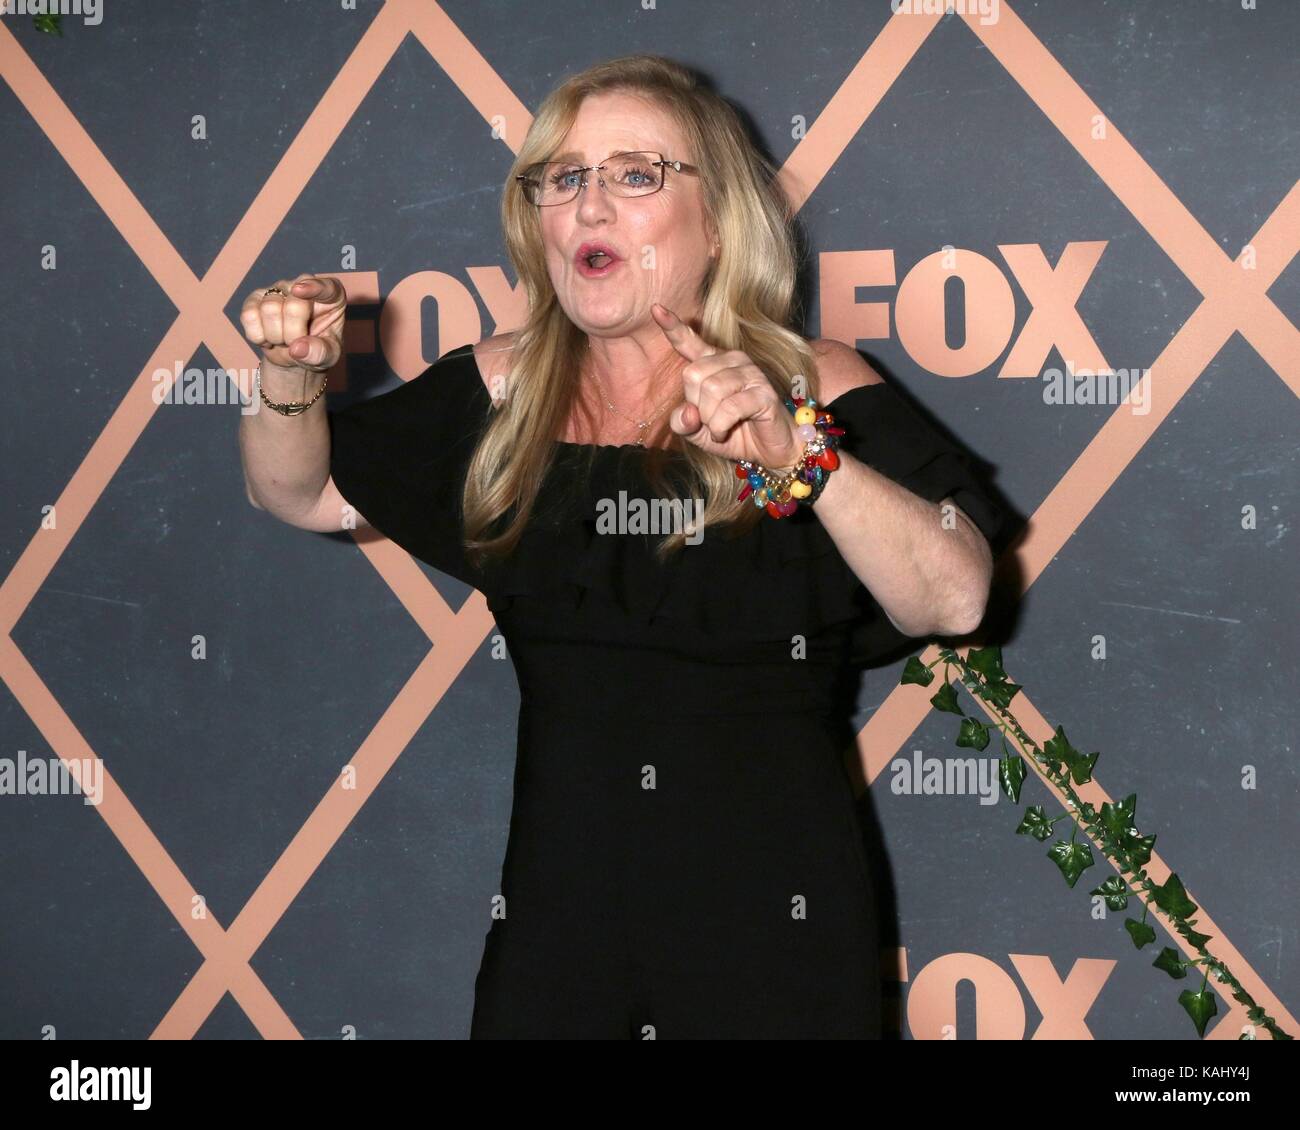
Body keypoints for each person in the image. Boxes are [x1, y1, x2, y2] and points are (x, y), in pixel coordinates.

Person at [238, 54, 1011, 1039]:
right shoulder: (498, 390)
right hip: (558, 925)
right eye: (564, 178)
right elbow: (299, 491)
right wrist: (289, 376)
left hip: (775, 929)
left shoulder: (811, 381)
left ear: (719, 216)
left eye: (634, 174)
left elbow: (954, 595)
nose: (590, 205)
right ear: (538, 221)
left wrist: (795, 455)